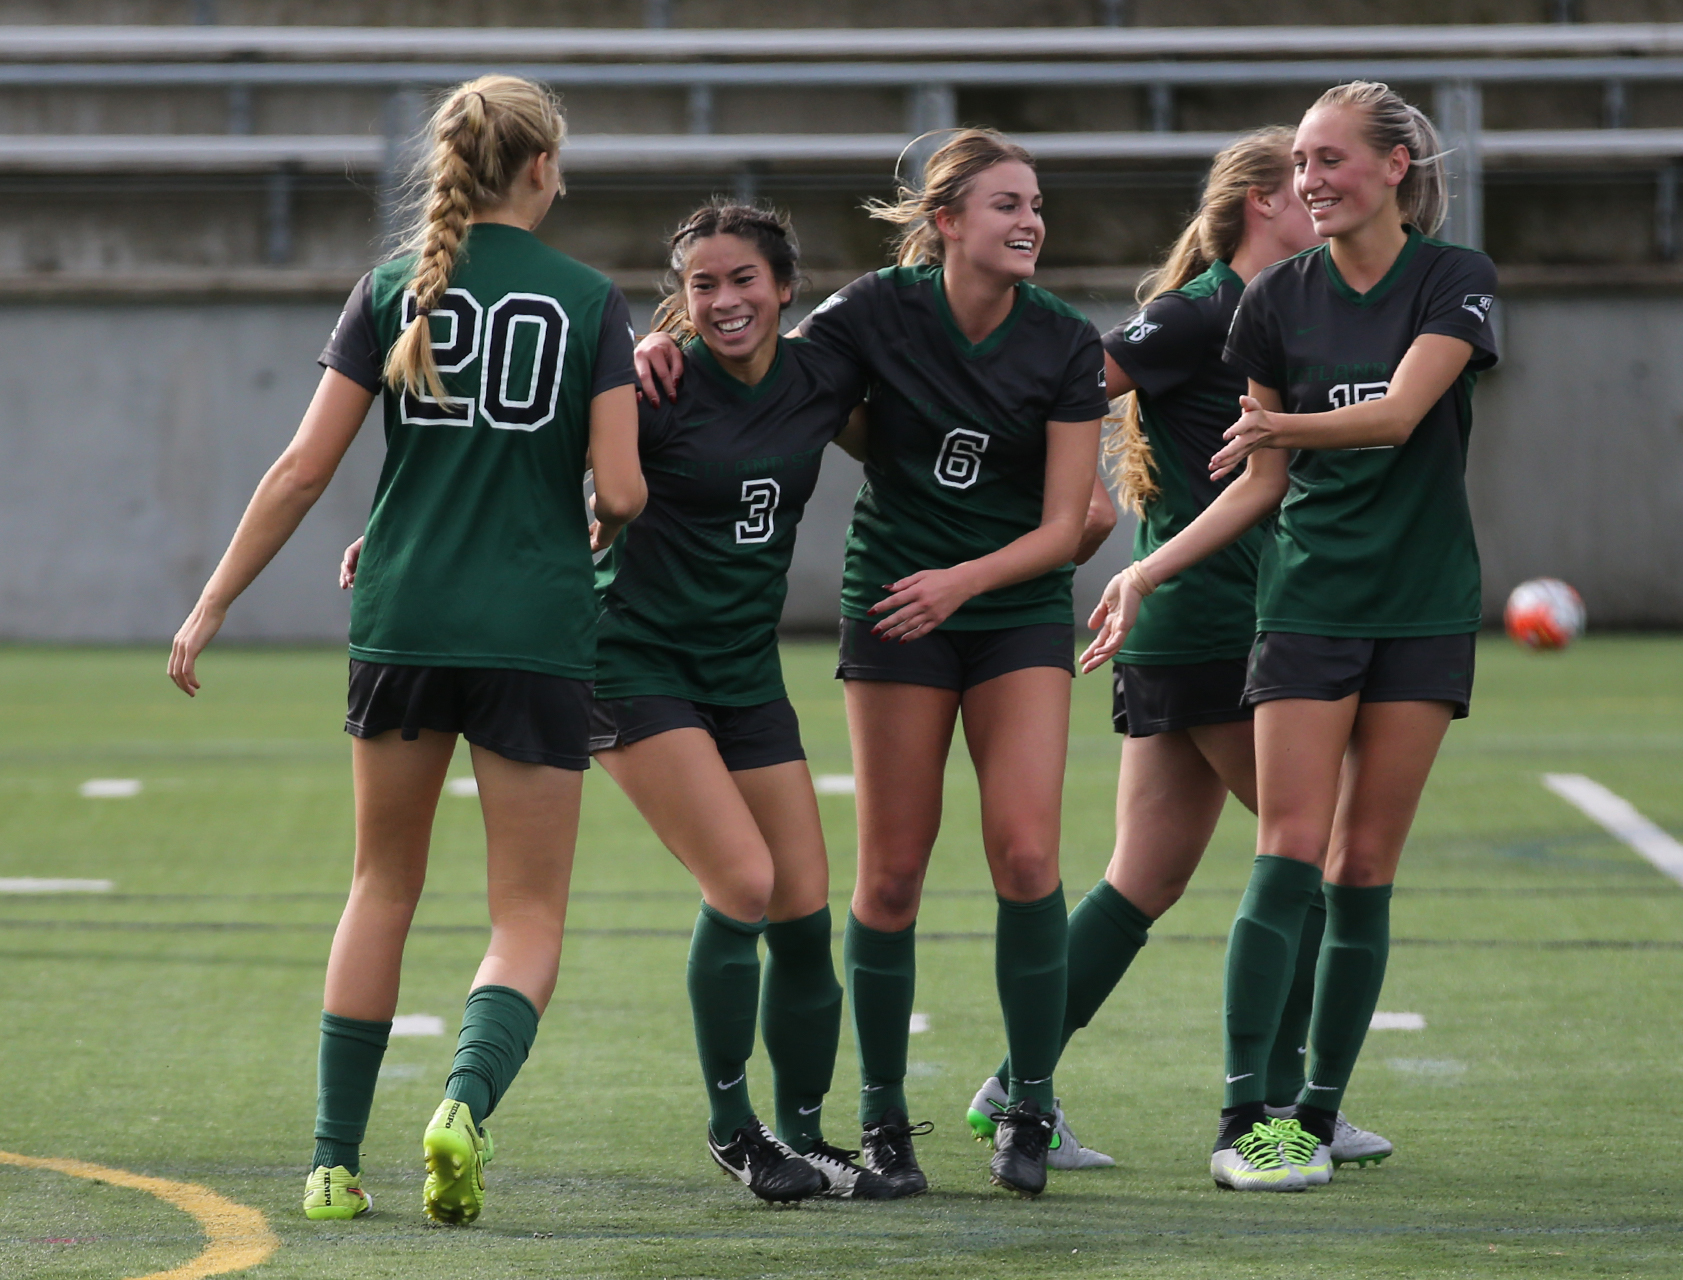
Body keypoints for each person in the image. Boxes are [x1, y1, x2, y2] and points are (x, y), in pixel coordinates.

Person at [170, 75, 646, 1225]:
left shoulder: (391, 287)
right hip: (534, 630)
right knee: (525, 914)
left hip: (403, 618)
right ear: (541, 169)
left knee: (381, 884)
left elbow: (302, 469)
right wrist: (593, 518)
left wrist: (211, 604)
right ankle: (463, 1108)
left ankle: (333, 1162)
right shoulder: (589, 299)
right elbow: (624, 486)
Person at [1080, 80, 1498, 1192]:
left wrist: (1284, 422)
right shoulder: (1272, 303)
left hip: (1422, 608)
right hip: (1305, 605)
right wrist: (1143, 570)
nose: (1310, 178)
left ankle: (1313, 1112)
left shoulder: (1454, 280)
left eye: (1330, 159)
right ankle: (1245, 1121)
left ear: (1395, 167)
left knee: (1366, 866)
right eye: (1301, 163)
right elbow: (1259, 480)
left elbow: (1401, 414)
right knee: (1291, 848)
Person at [963, 125, 1389, 1171]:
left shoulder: (1267, 309)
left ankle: (1015, 1088)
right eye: (1296, 178)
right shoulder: (1208, 309)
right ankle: (1287, 1108)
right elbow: (1070, 384)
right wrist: (1069, 501)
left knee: (1141, 878)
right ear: (1258, 201)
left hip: (1184, 622)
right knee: (1316, 859)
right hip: (1210, 622)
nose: (1312, 191)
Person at [790, 129, 1109, 1198]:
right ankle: (883, 1118)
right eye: (1007, 204)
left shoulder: (1063, 339)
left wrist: (962, 579)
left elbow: (1072, 524)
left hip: (1009, 606)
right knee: (889, 869)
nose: (1030, 222)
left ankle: (1029, 1098)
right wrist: (665, 352)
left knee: (1027, 855)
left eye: (1037, 205)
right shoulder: (874, 311)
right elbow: (778, 389)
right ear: (946, 224)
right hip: (893, 604)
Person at [596, 203, 890, 1203]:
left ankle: (805, 1133)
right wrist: (407, 537)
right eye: (702, 284)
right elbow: (536, 470)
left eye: (742, 280)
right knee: (745, 881)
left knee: (807, 912)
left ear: (784, 288)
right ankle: (735, 1128)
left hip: (744, 670)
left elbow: (909, 427)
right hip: (634, 661)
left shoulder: (820, 377)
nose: (723, 300)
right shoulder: (651, 384)